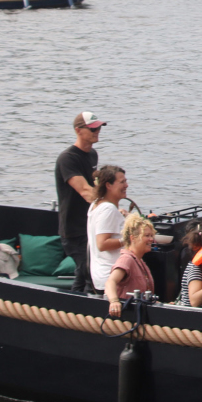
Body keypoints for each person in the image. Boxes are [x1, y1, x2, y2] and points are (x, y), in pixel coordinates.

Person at [55, 111, 106, 293]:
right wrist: (110, 206)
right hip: (73, 229)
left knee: (85, 271)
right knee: (87, 268)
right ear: (78, 130)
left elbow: (96, 186)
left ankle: (72, 305)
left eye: (98, 127)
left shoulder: (92, 155)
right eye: (92, 128)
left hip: (90, 224)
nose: (97, 131)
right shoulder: (68, 159)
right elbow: (86, 191)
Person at [86, 165, 127, 293]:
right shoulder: (108, 209)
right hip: (112, 277)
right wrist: (129, 240)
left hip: (101, 275)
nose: (126, 185)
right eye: (122, 182)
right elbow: (102, 244)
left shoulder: (96, 204)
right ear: (108, 185)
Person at [105, 214, 155, 317]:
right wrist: (114, 301)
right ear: (133, 238)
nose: (151, 239)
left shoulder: (140, 261)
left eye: (151, 235)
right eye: (147, 236)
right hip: (127, 316)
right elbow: (110, 282)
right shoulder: (126, 259)